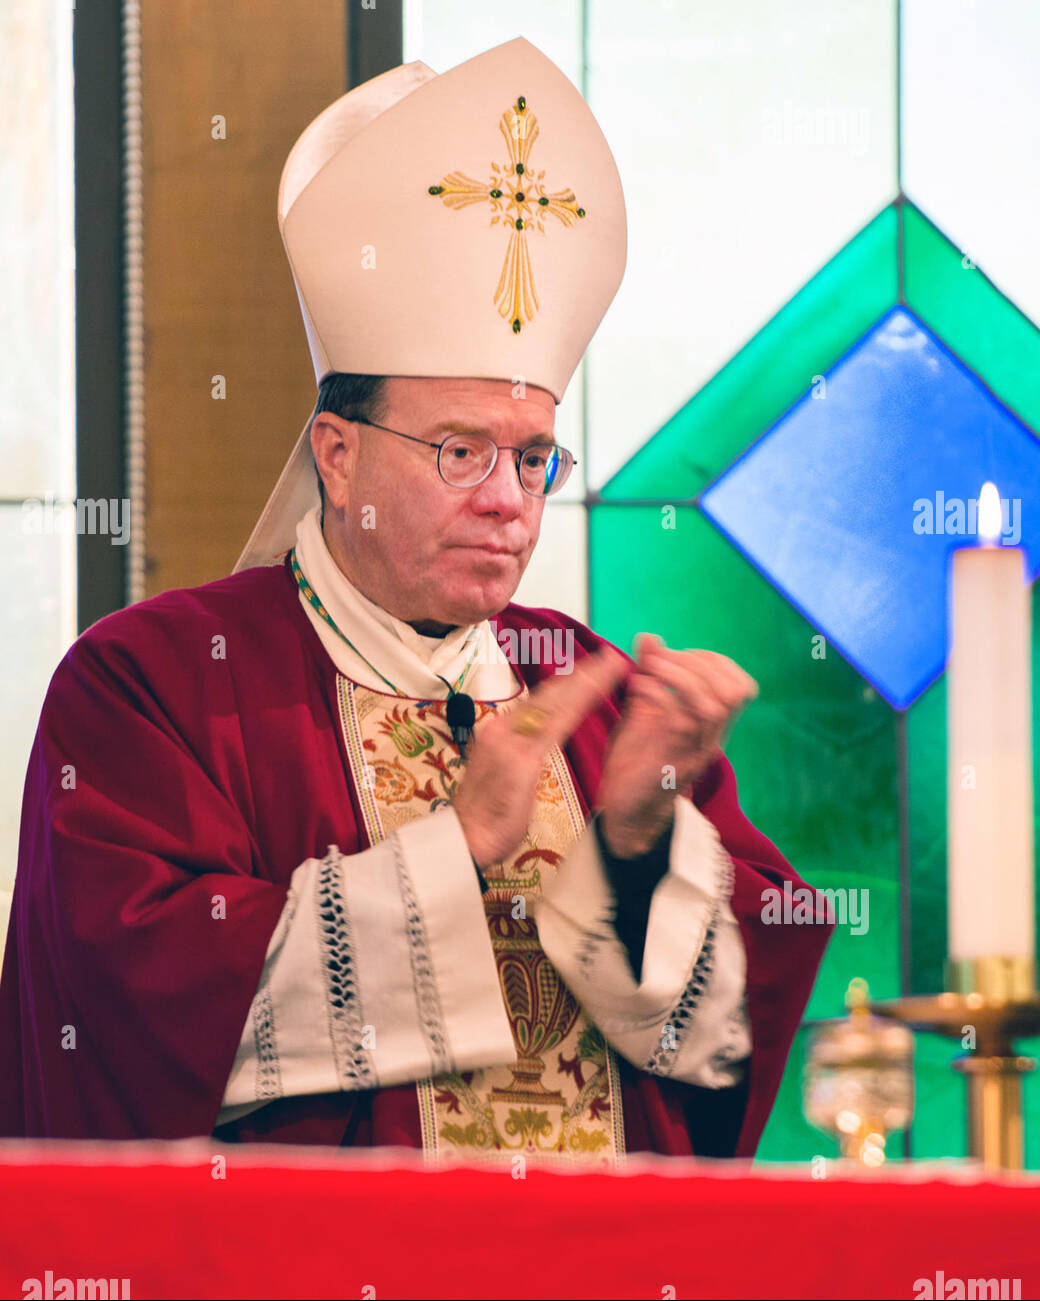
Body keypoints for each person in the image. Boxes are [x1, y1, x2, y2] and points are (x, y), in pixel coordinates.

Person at [0, 37, 832, 1167]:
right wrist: (457, 848)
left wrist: (637, 838)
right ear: (337, 457)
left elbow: (710, 1049)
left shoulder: (593, 694)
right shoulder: (153, 681)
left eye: (534, 457)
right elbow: (123, 1007)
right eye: (458, 450)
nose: (506, 501)